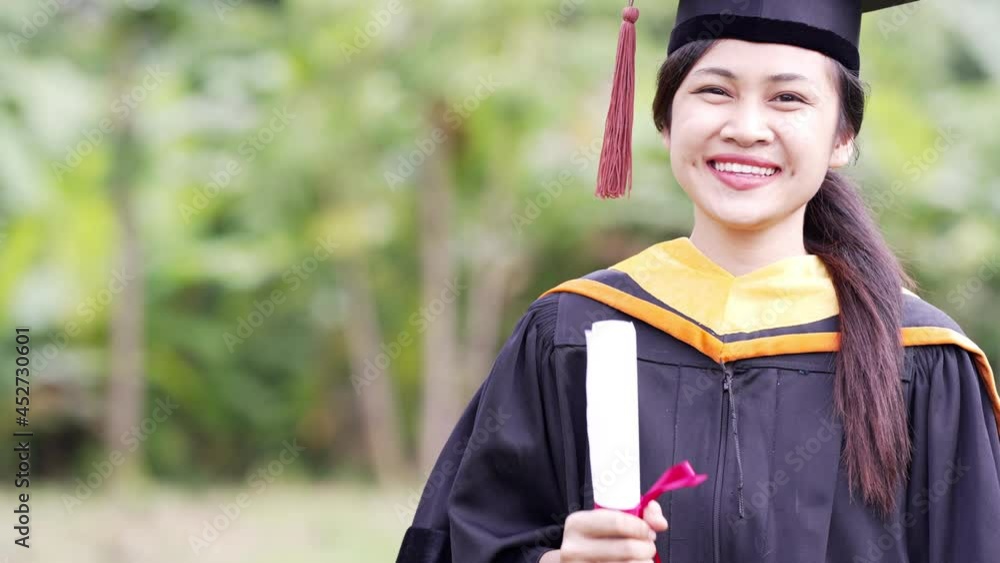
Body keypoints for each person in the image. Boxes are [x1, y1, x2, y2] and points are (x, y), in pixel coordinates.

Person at [396, 1, 1000, 562]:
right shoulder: (571, 331)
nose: (745, 127)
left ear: (843, 137)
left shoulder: (922, 359)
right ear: (664, 119)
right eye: (714, 91)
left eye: (788, 99)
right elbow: (460, 541)